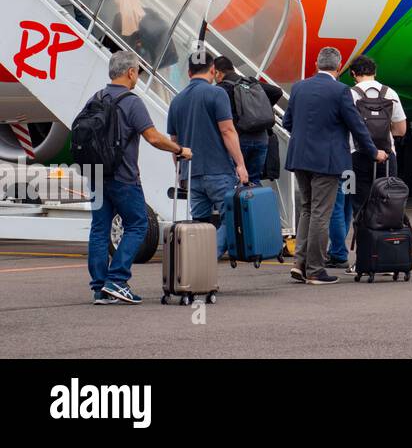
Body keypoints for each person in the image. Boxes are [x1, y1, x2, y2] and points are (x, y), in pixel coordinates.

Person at [87, 51, 191, 304]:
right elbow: (153, 137)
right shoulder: (131, 101)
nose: (138, 78)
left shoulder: (95, 98)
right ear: (130, 72)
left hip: (97, 174)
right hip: (123, 177)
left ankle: (100, 288)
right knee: (138, 225)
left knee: (100, 229)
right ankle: (117, 280)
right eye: (137, 72)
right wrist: (180, 150)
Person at [283, 47, 385, 285]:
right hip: (326, 161)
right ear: (338, 68)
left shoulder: (299, 87)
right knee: (321, 213)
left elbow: (288, 121)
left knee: (307, 210)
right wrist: (374, 152)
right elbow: (357, 126)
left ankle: (300, 264)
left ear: (317, 64)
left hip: (299, 158)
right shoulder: (340, 91)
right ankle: (316, 270)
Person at [328, 55, 408, 270]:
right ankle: (389, 257)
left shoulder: (349, 94)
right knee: (388, 206)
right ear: (375, 72)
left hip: (356, 160)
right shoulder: (390, 93)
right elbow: (401, 130)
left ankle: (363, 260)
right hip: (388, 158)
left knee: (359, 209)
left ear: (353, 74)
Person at [167, 50, 248, 259]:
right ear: (213, 70)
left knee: (200, 224)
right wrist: (240, 164)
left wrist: (180, 171)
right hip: (218, 170)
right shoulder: (217, 93)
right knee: (233, 219)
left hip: (191, 173)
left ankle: (195, 270)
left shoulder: (177, 101)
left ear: (188, 72)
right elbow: (227, 131)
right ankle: (207, 259)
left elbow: (174, 143)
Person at [214, 56, 284, 185]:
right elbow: (277, 92)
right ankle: (254, 204)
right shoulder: (250, 82)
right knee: (254, 180)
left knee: (235, 181)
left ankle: (236, 205)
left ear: (218, 72)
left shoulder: (222, 89)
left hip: (239, 139)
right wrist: (260, 110)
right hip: (262, 139)